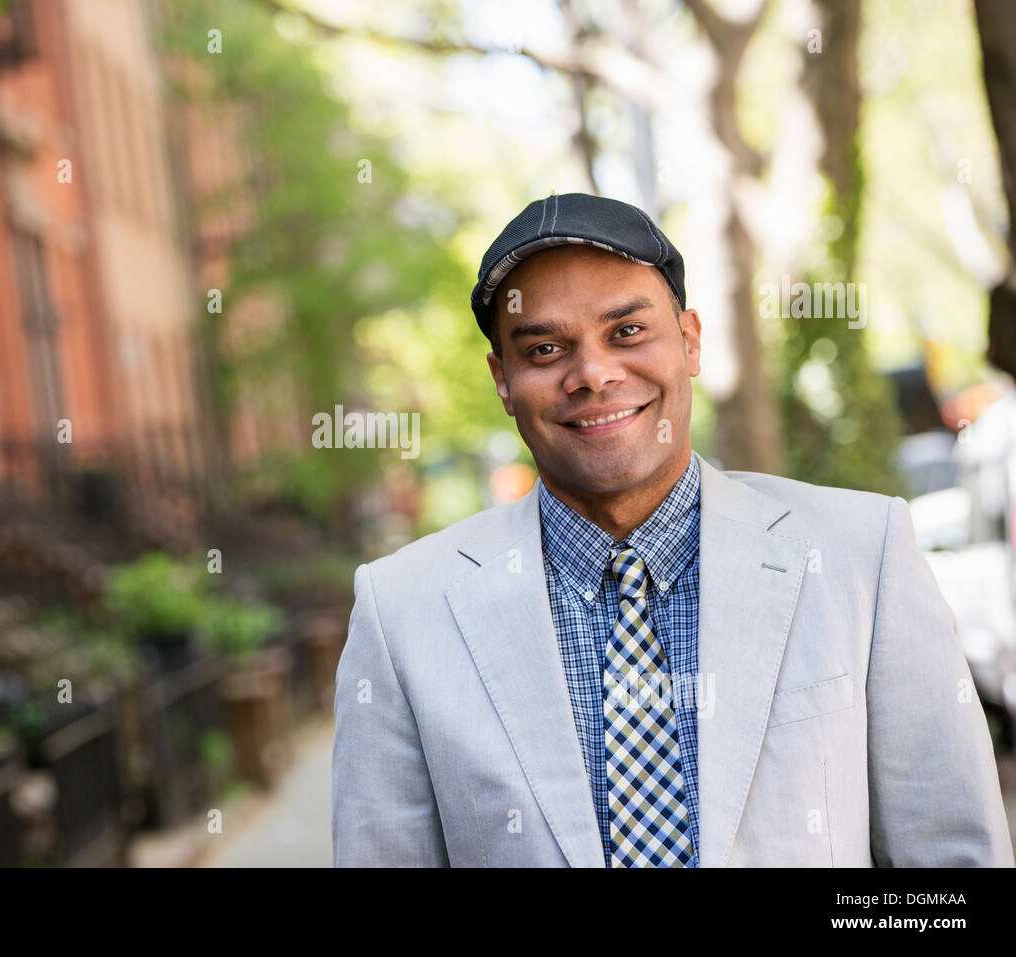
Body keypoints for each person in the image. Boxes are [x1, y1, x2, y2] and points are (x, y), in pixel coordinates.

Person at [331, 191, 1015, 867]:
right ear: (503, 380)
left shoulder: (861, 554)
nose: (593, 373)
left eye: (627, 331)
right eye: (544, 348)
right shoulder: (403, 613)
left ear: (689, 341)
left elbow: (952, 865)